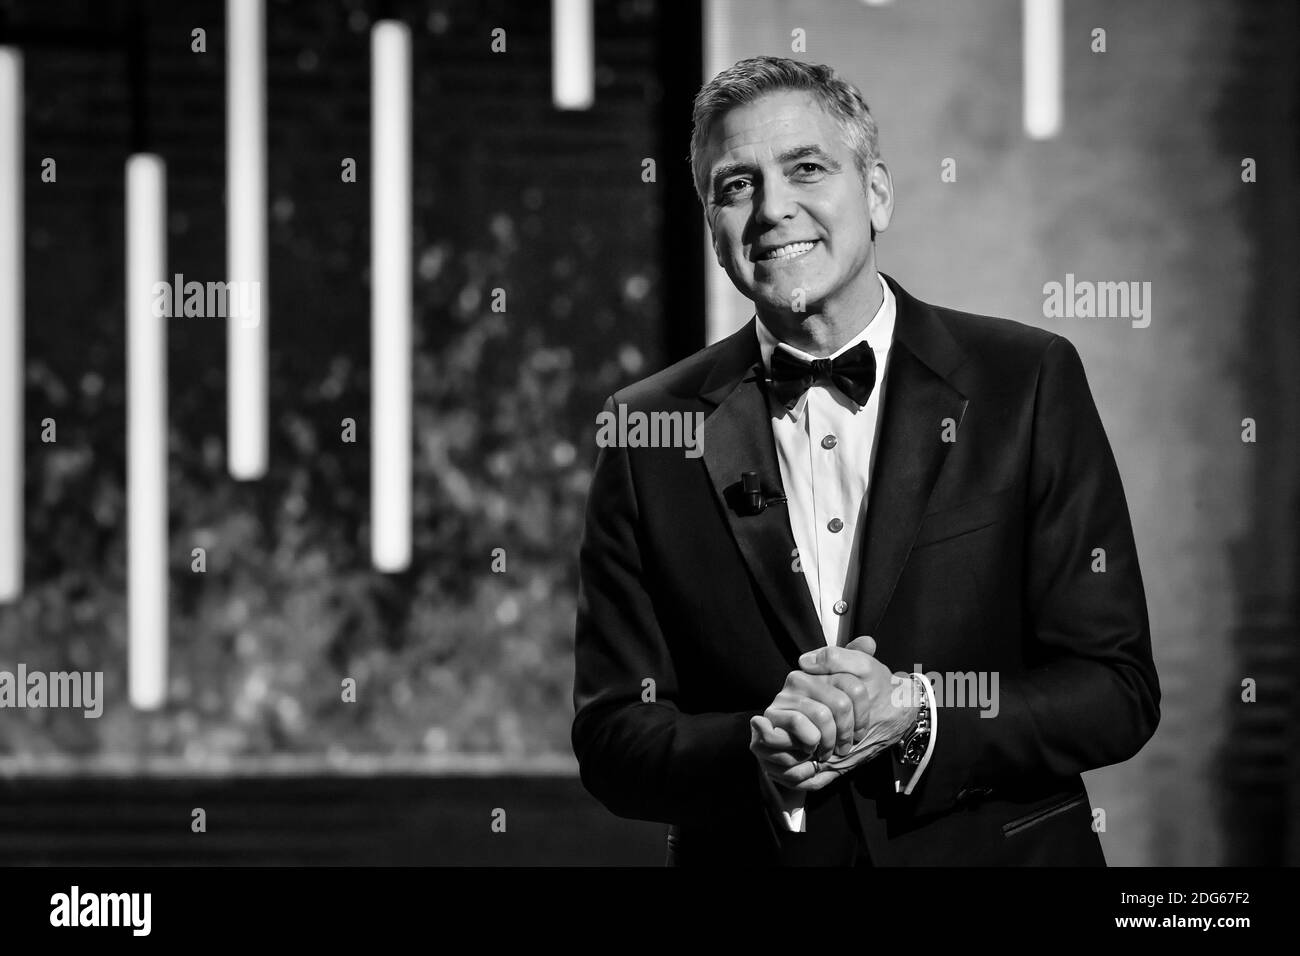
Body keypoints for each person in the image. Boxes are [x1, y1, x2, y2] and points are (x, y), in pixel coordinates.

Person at [571, 55, 1160, 866]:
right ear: (712, 229)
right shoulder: (646, 431)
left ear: (876, 192)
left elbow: (1115, 690)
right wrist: (756, 751)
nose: (774, 209)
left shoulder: (1025, 381)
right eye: (735, 186)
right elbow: (612, 738)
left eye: (806, 168)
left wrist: (919, 715)